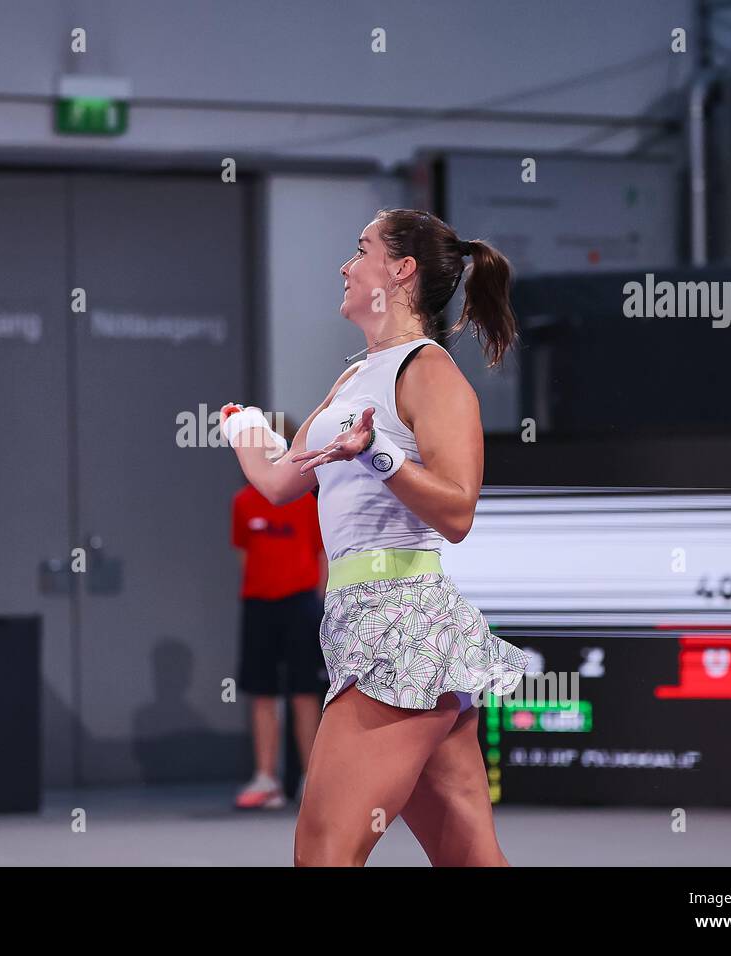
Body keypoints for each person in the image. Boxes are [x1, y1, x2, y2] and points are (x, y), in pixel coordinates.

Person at [219, 208, 529, 866]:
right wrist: (243, 426)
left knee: (323, 852)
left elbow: (457, 512)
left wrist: (379, 455)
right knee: (470, 858)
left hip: (400, 625)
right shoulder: (354, 377)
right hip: (362, 623)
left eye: (360, 250)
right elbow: (280, 482)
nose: (345, 265)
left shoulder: (430, 372)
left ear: (401, 270)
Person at [230, 416, 329, 810]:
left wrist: (321, 608)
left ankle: (312, 779)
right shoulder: (242, 503)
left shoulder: (308, 501)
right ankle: (266, 779)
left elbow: (321, 556)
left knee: (305, 694)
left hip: (302, 606)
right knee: (261, 693)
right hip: (259, 606)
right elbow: (244, 557)